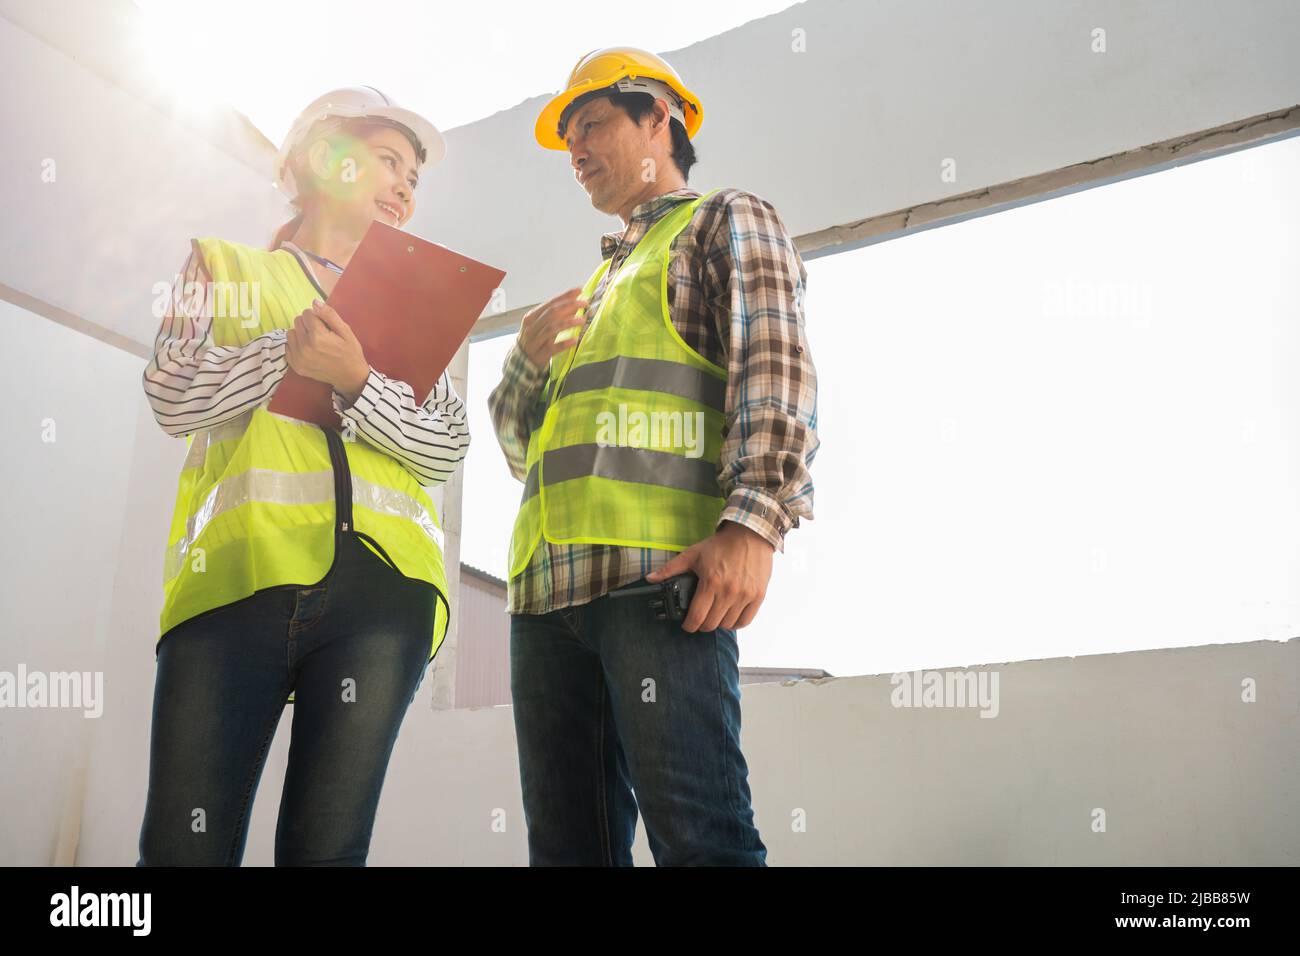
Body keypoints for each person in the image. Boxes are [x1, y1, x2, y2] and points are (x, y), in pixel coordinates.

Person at [490, 48, 819, 865]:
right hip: (544, 600)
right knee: (568, 853)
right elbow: (518, 448)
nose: (577, 151)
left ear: (657, 119)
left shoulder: (722, 219)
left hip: (658, 580)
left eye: (592, 123)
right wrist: (526, 361)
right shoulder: (596, 287)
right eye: (568, 138)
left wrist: (754, 526)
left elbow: (773, 369)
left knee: (700, 839)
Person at [137, 87, 469, 866]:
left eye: (413, 178)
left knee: (327, 851)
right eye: (389, 162)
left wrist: (356, 382)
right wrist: (280, 355)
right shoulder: (226, 267)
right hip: (235, 583)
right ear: (327, 160)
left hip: (383, 597)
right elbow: (171, 393)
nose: (403, 189)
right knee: (183, 849)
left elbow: (444, 447)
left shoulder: (419, 307)